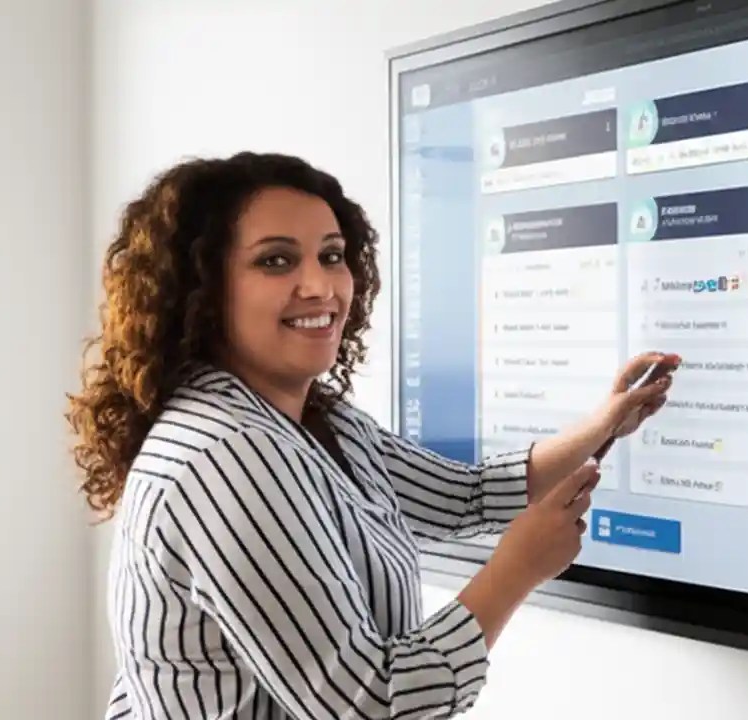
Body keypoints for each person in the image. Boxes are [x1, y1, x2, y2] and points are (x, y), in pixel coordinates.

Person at [66, 151, 677, 720]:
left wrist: (605, 422)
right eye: (275, 260)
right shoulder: (224, 457)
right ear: (202, 289)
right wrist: (514, 571)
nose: (321, 286)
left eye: (331, 255)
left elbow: (466, 495)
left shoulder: (315, 418)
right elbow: (368, 705)